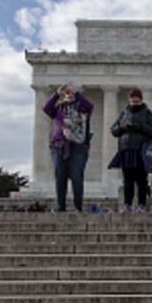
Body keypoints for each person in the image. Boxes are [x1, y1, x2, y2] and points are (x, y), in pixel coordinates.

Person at [43, 82, 94, 212]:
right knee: (60, 176)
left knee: (77, 175)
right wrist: (57, 94)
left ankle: (78, 206)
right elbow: (46, 108)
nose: (69, 96)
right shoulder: (58, 110)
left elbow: (90, 106)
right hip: (59, 144)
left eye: (71, 95)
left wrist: (76, 92)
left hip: (78, 145)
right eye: (66, 95)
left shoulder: (82, 110)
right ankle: (61, 206)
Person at [109, 87, 152, 213]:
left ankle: (141, 204)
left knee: (142, 180)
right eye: (132, 101)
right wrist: (123, 127)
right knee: (127, 180)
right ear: (129, 100)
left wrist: (140, 127)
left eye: (136, 102)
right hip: (127, 150)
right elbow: (114, 130)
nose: (134, 104)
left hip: (142, 150)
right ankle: (127, 204)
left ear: (141, 101)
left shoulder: (148, 113)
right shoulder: (124, 113)